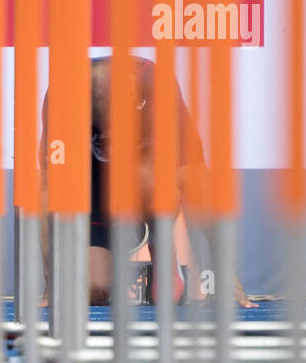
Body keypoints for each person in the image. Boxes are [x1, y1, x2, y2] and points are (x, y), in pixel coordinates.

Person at [39, 54, 255, 308]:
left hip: (146, 167)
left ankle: (161, 252)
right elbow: (47, 195)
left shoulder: (158, 89)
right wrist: (50, 284)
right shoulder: (63, 95)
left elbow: (196, 182)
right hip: (93, 174)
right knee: (94, 290)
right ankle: (108, 255)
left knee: (155, 180)